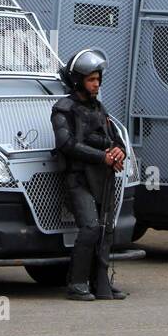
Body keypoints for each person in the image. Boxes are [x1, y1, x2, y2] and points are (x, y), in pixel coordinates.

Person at [51, 50, 127, 301]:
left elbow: (115, 138)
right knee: (91, 228)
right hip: (78, 178)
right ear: (78, 80)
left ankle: (101, 281)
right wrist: (102, 157)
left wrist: (119, 152)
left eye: (97, 79)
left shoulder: (99, 107)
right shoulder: (63, 109)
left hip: (103, 177)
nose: (96, 84)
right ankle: (77, 283)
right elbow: (67, 144)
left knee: (106, 230)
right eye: (91, 79)